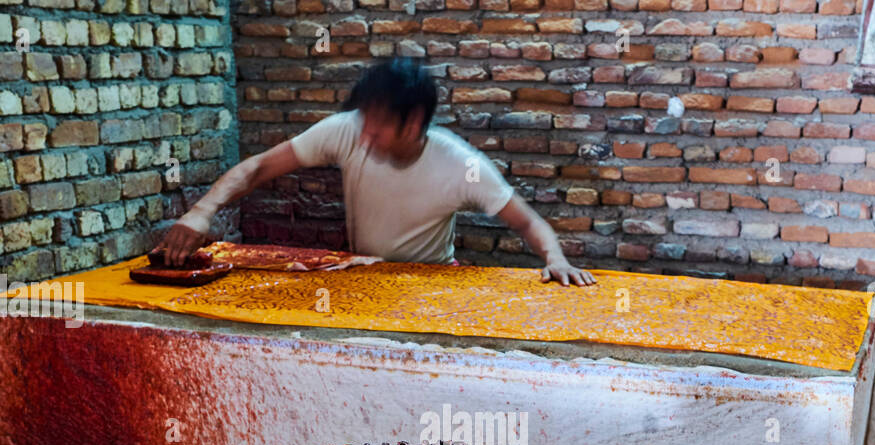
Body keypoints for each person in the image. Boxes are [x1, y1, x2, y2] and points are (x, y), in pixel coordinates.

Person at [155, 58, 596, 286]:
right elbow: (256, 168)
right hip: (360, 275)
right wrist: (203, 211)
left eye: (380, 122)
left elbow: (527, 222)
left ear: (414, 120)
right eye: (365, 117)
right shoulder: (348, 131)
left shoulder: (462, 165)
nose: (367, 133)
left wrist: (554, 258)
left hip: (430, 284)